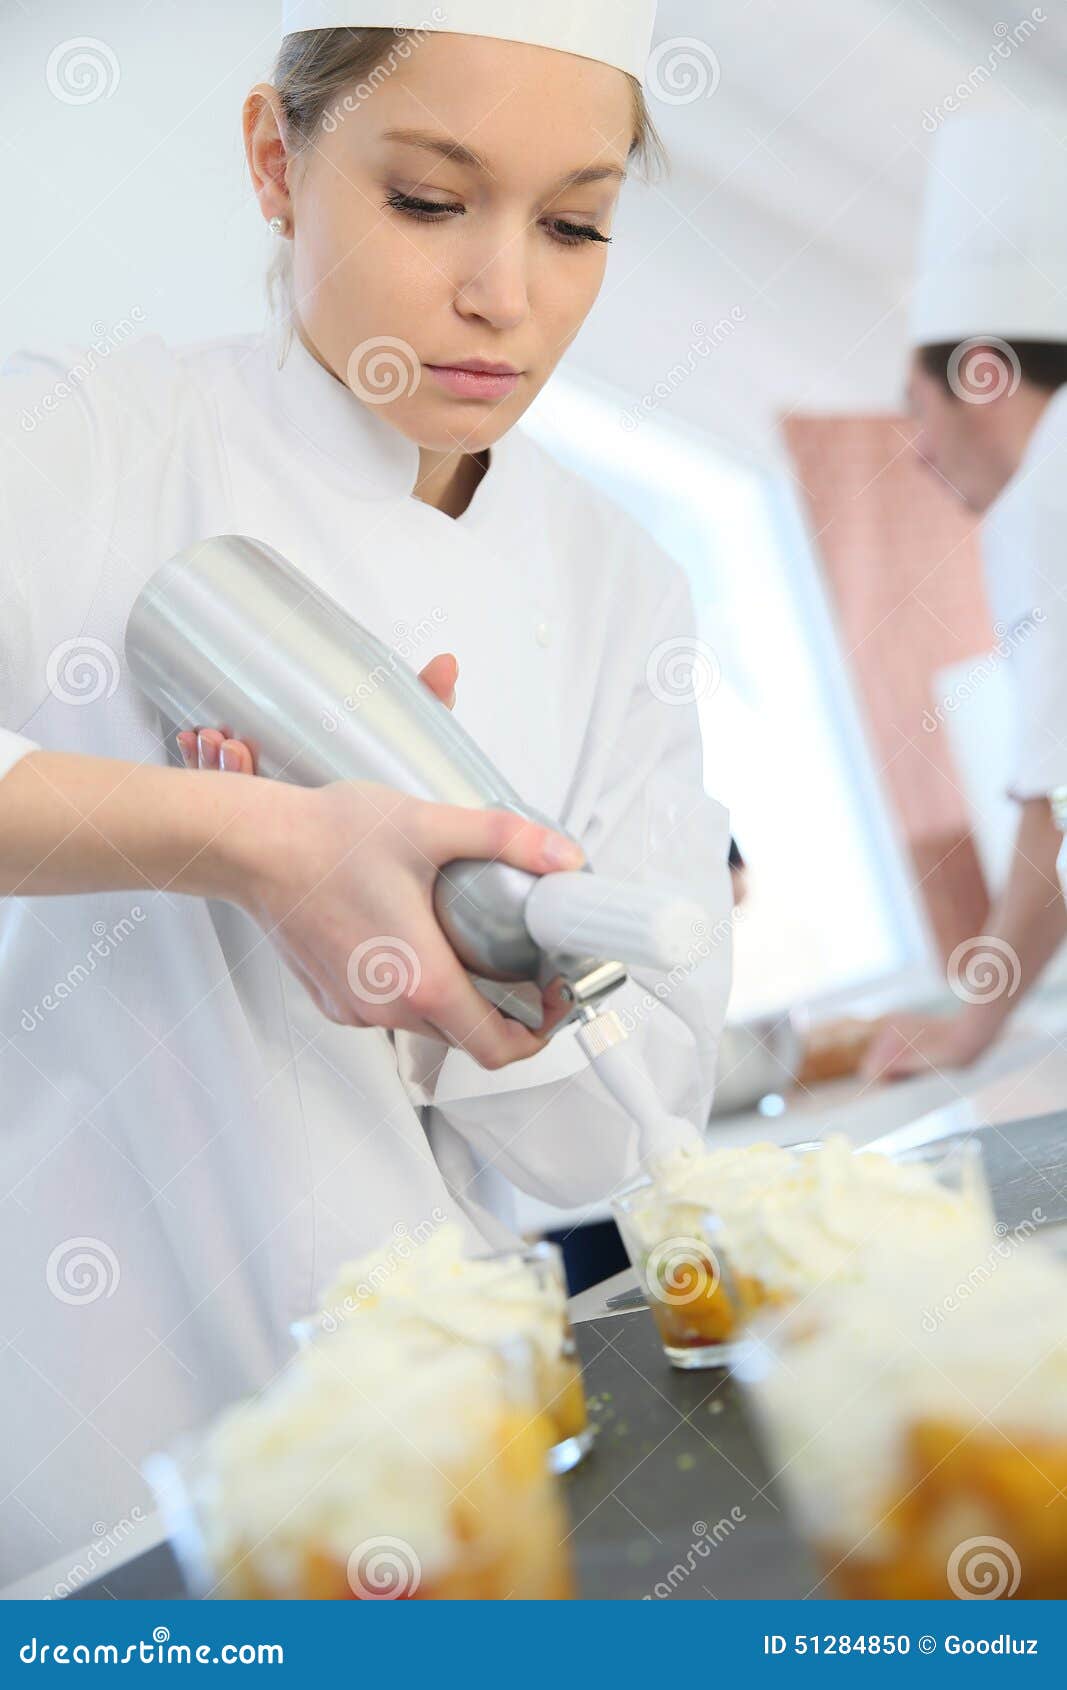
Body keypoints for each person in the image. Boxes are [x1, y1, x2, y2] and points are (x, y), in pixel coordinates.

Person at [0, 1, 732, 1578]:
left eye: (573, 225)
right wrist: (254, 838)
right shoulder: (90, 443)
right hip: (90, 1473)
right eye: (426, 199)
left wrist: (470, 950)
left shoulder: (618, 585)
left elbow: (612, 1132)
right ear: (276, 161)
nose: (502, 295)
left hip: (448, 1457)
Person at [864, 111, 1067, 1081]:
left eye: (918, 408)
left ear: (980, 376)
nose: (917, 451)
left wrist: (964, 1029)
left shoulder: (1045, 489)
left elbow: (1055, 802)